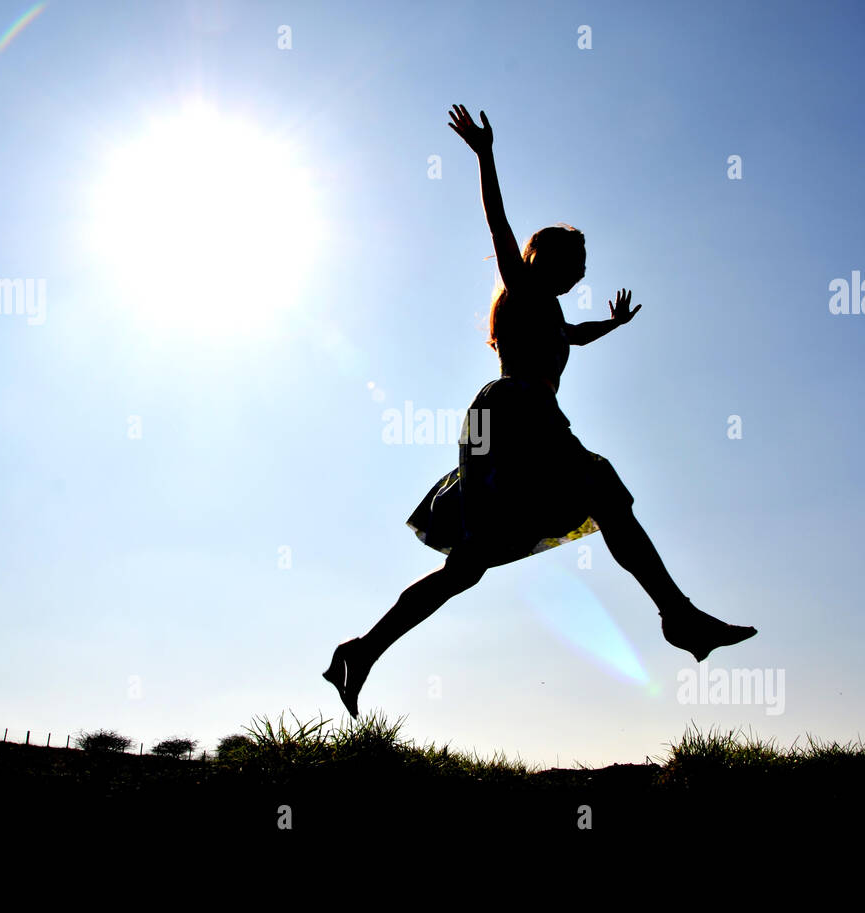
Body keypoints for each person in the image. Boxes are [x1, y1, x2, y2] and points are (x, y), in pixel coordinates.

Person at [323, 104, 757, 718]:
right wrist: (485, 156)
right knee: (600, 488)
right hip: (503, 423)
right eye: (572, 262)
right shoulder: (522, 289)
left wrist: (612, 322)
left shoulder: (550, 312)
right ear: (541, 260)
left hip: (532, 425)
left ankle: (360, 653)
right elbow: (498, 225)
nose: (579, 272)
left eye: (582, 266)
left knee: (470, 565)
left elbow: (575, 334)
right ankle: (680, 617)